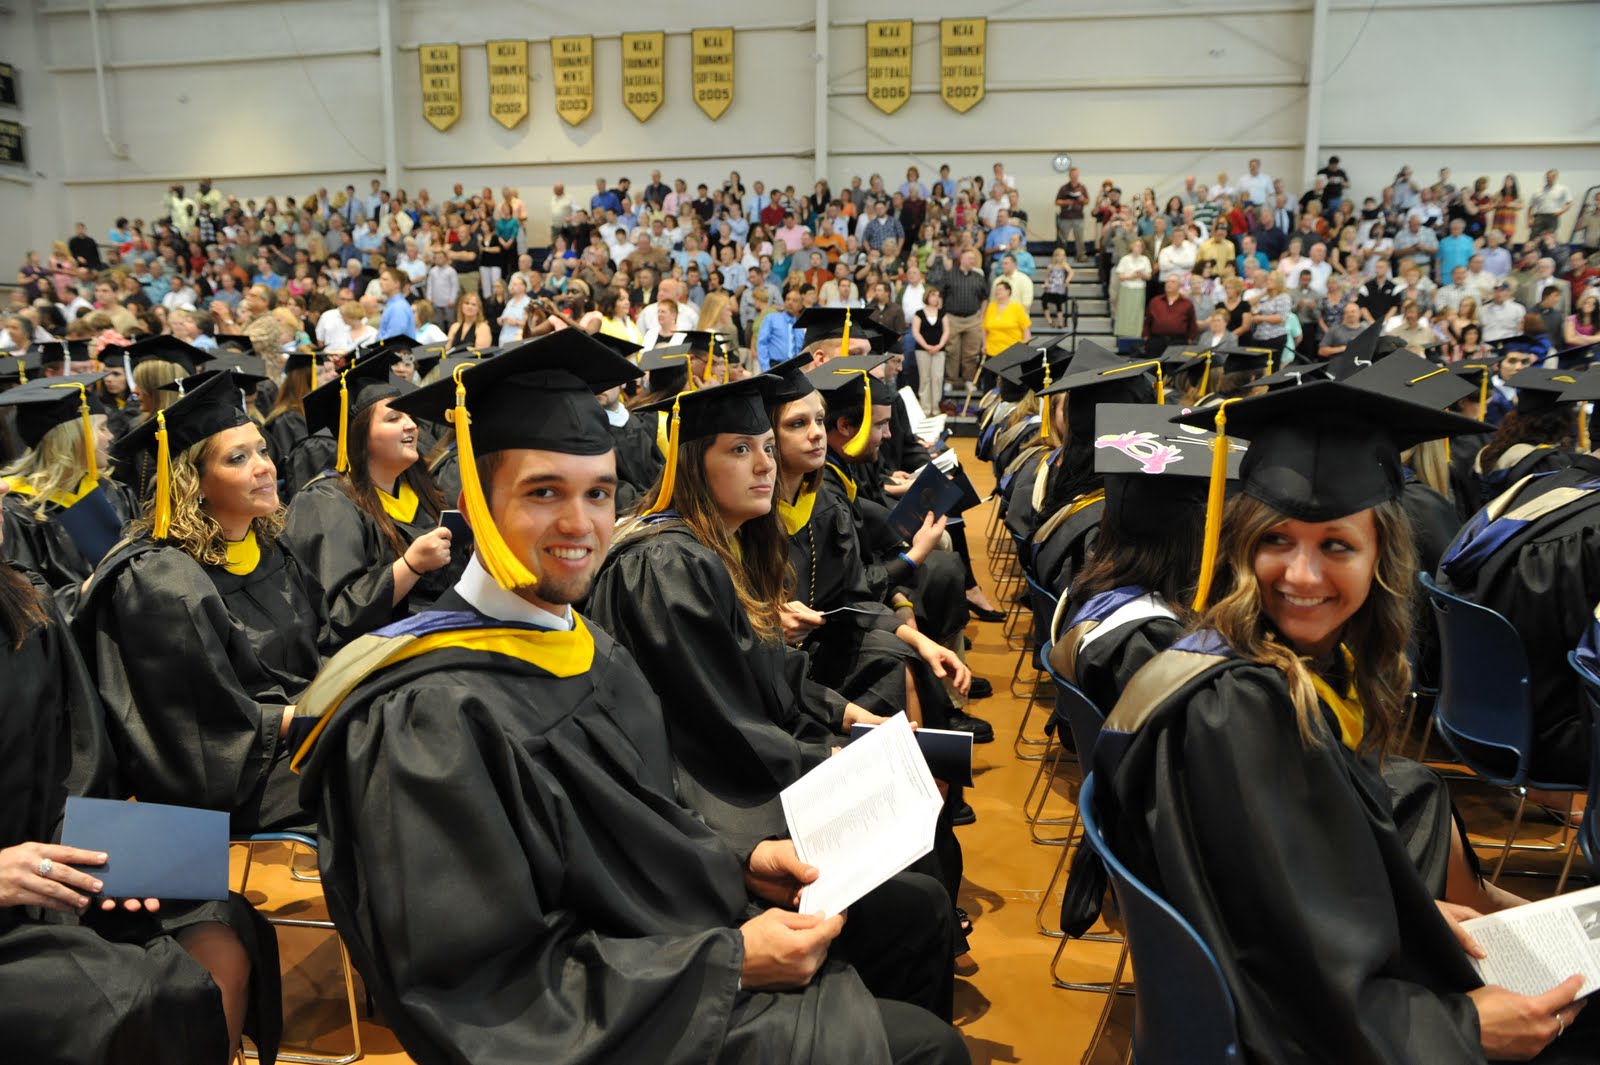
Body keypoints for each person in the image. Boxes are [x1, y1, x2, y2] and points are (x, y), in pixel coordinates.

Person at [291, 334, 967, 1065]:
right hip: (616, 1014)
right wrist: (729, 960)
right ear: (474, 504)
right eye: (544, 491)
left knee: (910, 912)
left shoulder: (581, 643)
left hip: (669, 932)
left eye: (600, 492)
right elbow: (489, 996)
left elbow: (644, 820)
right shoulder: (427, 716)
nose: (581, 524)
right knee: (925, 1050)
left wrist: (743, 858)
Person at [1090, 379, 1600, 1064]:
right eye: (1277, 538)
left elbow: (1292, 898)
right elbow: (1284, 966)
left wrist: (1409, 918)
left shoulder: (1273, 666)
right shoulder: (1238, 708)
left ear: (1380, 558)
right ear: (1241, 545)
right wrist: (1462, 1027)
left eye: (1336, 545)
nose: (1302, 574)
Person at [0, 483, 280, 1063]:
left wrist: (106, 853)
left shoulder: (21, 602)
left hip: (47, 864)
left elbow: (73, 759)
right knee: (133, 993)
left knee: (219, 924)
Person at [74, 372, 324, 838]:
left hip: (297, 738)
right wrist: (319, 715)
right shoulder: (162, 580)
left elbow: (321, 642)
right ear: (194, 482)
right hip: (230, 782)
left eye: (263, 450)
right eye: (238, 458)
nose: (265, 466)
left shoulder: (269, 547)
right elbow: (202, 729)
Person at [281, 350, 458, 640]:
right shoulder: (327, 502)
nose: (411, 425)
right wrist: (410, 566)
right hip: (382, 648)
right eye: (393, 418)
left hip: (442, 628)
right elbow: (337, 615)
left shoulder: (422, 490)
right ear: (358, 434)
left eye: (409, 416)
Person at [0, 374, 140, 617]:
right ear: (71, 437)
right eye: (102, 428)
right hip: (76, 644)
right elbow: (25, 601)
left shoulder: (116, 492)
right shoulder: (18, 511)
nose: (110, 437)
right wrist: (89, 589)